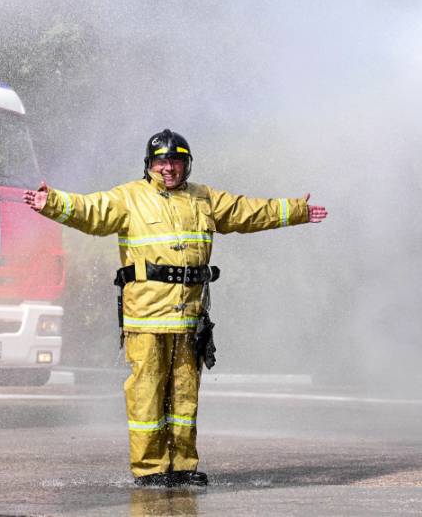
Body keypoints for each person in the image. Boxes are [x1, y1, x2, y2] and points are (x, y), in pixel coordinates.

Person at [22, 129, 328, 487]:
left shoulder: (204, 199)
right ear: (149, 165)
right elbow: (92, 210)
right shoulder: (130, 198)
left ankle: (183, 465)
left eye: (176, 161)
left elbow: (248, 211)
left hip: (188, 318)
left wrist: (296, 210)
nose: (169, 168)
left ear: (187, 164)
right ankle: (151, 468)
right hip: (146, 317)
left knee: (184, 396)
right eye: (161, 161)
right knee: (147, 394)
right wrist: (53, 203)